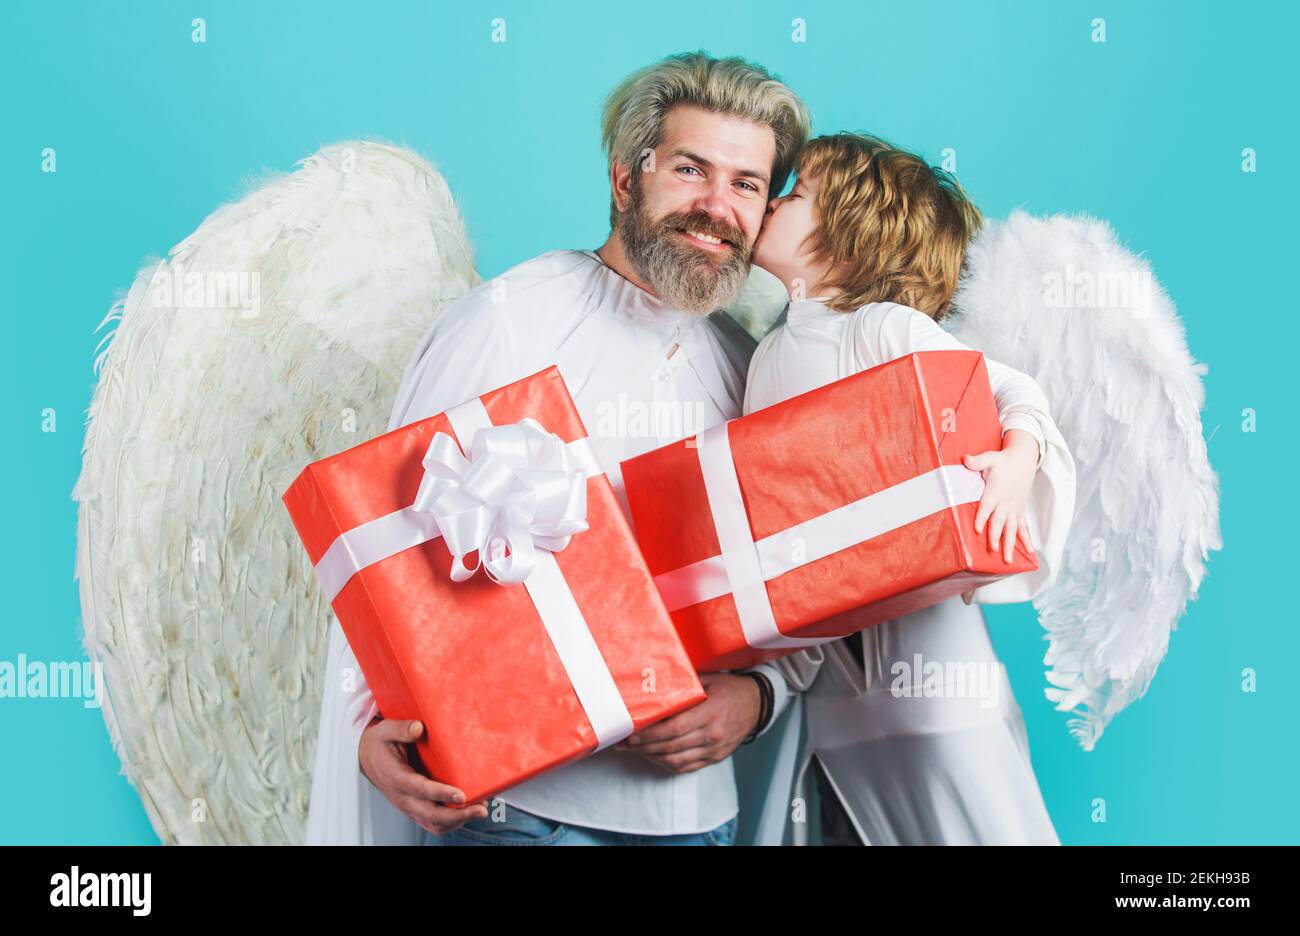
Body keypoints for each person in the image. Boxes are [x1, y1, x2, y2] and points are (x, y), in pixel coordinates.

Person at [304, 51, 813, 846]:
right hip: (531, 816)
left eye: (746, 185)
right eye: (690, 169)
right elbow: (391, 548)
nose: (717, 207)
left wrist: (757, 700)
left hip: (707, 820)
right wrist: (370, 727)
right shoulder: (509, 321)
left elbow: (801, 584)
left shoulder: (754, 366)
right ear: (624, 179)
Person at [743, 133, 1076, 845]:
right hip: (836, 693)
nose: (771, 200)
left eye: (794, 194)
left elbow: (1006, 387)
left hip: (935, 683)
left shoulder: (880, 330)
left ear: (848, 239)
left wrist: (1021, 454)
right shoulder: (768, 354)